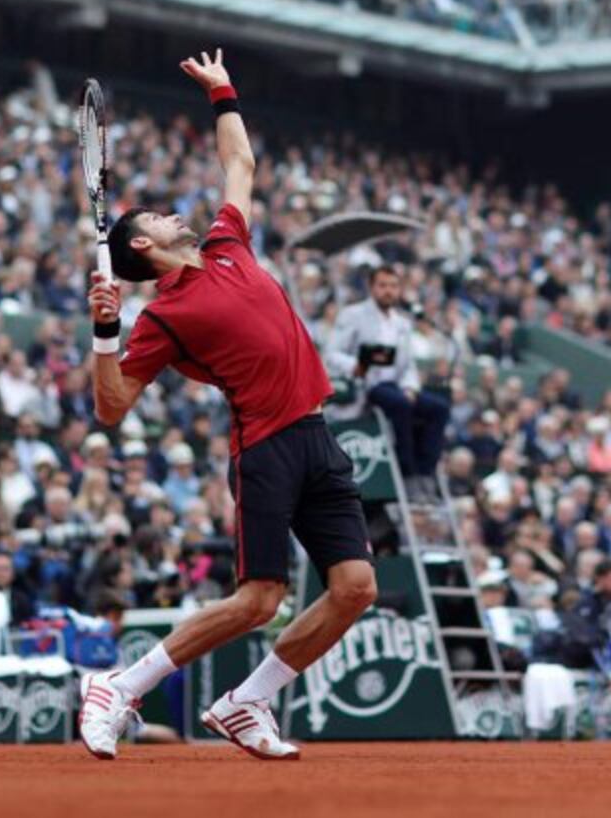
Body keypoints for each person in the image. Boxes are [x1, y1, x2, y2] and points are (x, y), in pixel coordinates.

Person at [79, 49, 377, 763]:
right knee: (257, 600)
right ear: (143, 246)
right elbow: (112, 408)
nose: (170, 207)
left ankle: (247, 702)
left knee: (356, 588)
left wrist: (223, 94)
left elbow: (238, 163)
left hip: (315, 434)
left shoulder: (224, 241)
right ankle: (119, 687)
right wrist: (104, 333)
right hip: (266, 447)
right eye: (154, 213)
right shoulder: (161, 317)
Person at [325, 264, 451, 485]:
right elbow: (332, 353)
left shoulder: (402, 322)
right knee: (401, 405)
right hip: (368, 384)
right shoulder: (353, 314)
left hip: (396, 385)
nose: (388, 291)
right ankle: (406, 470)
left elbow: (407, 363)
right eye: (383, 285)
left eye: (393, 286)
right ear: (371, 287)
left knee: (438, 407)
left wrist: (410, 387)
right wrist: (359, 365)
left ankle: (425, 471)